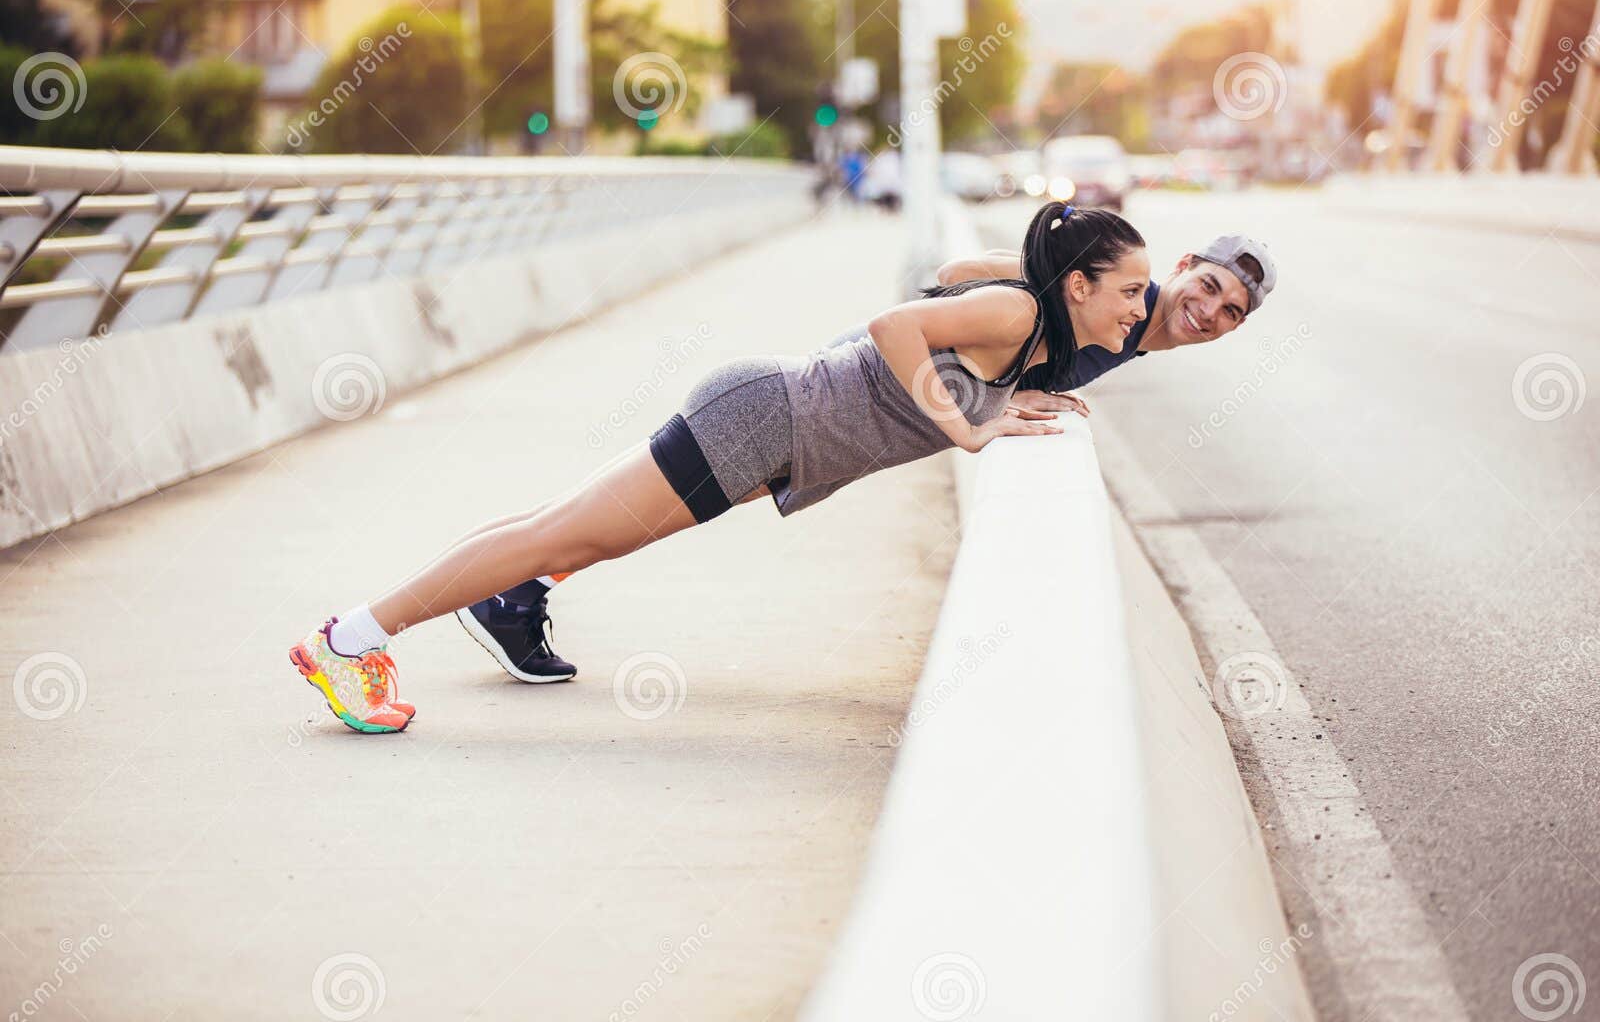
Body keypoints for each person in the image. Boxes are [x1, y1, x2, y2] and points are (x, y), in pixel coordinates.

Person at [289, 202, 1152, 733]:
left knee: (574, 533)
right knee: (556, 530)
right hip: (763, 419)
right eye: (1128, 290)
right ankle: (348, 639)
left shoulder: (1030, 318)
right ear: (1078, 286)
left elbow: (950, 273)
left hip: (776, 433)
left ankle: (505, 599)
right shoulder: (1015, 314)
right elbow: (896, 323)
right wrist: (967, 430)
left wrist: (1000, 397)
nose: (1138, 308)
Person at [457, 230, 1278, 687]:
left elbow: (1017, 352)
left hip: (865, 418)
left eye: (1230, 311)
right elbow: (956, 278)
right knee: (646, 505)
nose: (1207, 310)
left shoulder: (1131, 332)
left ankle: (522, 580)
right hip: (861, 396)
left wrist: (1006, 393)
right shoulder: (1109, 291)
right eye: (1206, 286)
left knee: (666, 505)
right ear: (1182, 267)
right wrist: (971, 404)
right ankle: (514, 575)